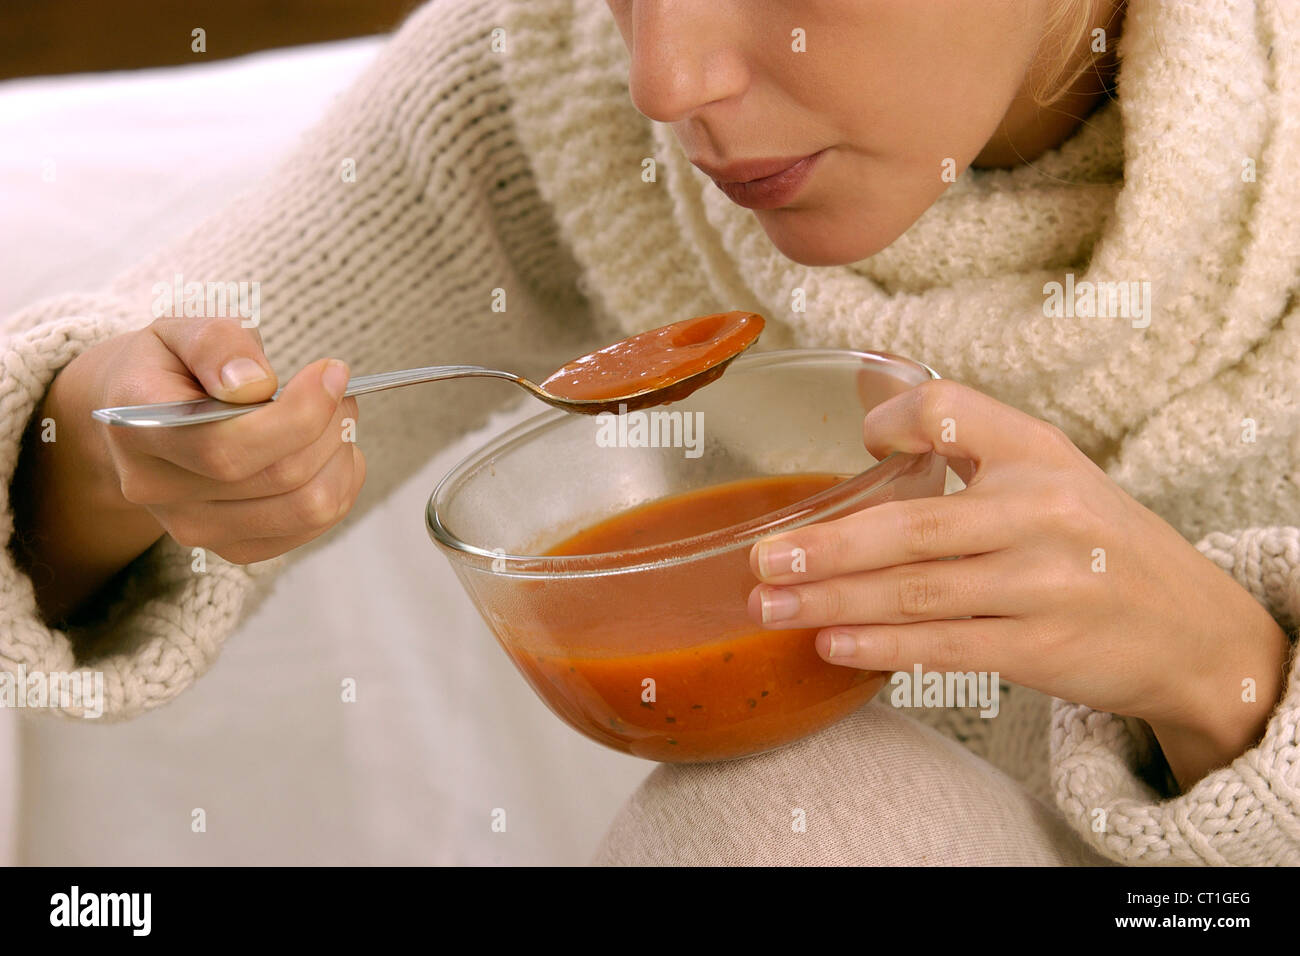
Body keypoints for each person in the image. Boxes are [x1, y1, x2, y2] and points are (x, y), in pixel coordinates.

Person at [2, 0, 1297, 865]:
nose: (665, 80)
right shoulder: (553, 82)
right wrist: (116, 445)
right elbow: (128, 407)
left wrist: (1214, 668)